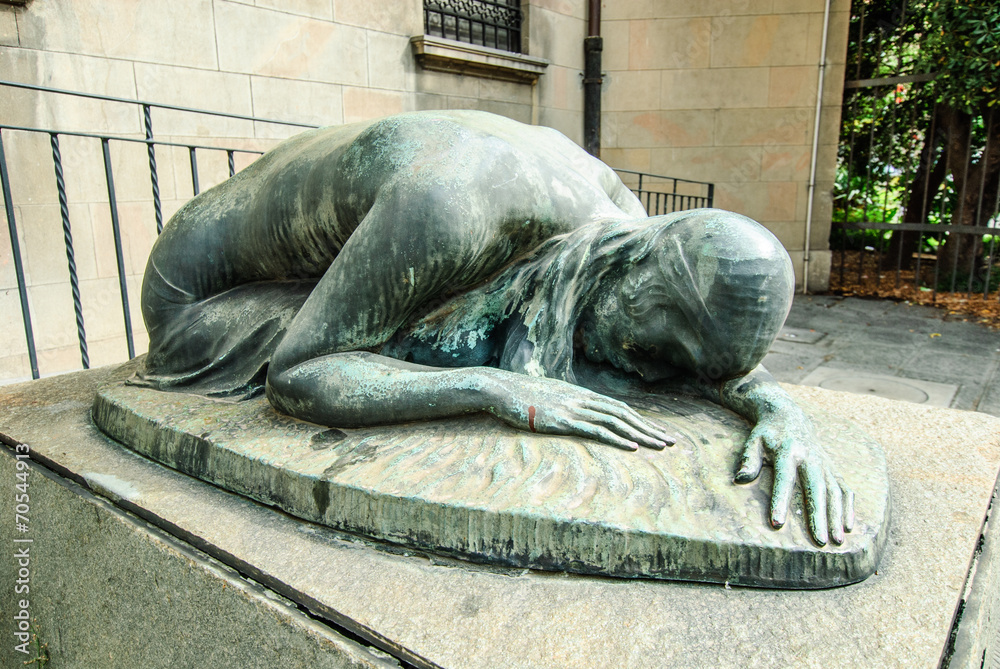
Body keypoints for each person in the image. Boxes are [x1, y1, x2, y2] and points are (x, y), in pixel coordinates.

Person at [138, 110, 852, 546]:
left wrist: (775, 405)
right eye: (650, 354)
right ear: (635, 281)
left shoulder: (629, 230)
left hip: (379, 247)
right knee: (427, 349)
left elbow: (705, 357)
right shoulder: (454, 211)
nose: (650, 377)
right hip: (202, 298)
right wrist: (493, 387)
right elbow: (301, 373)